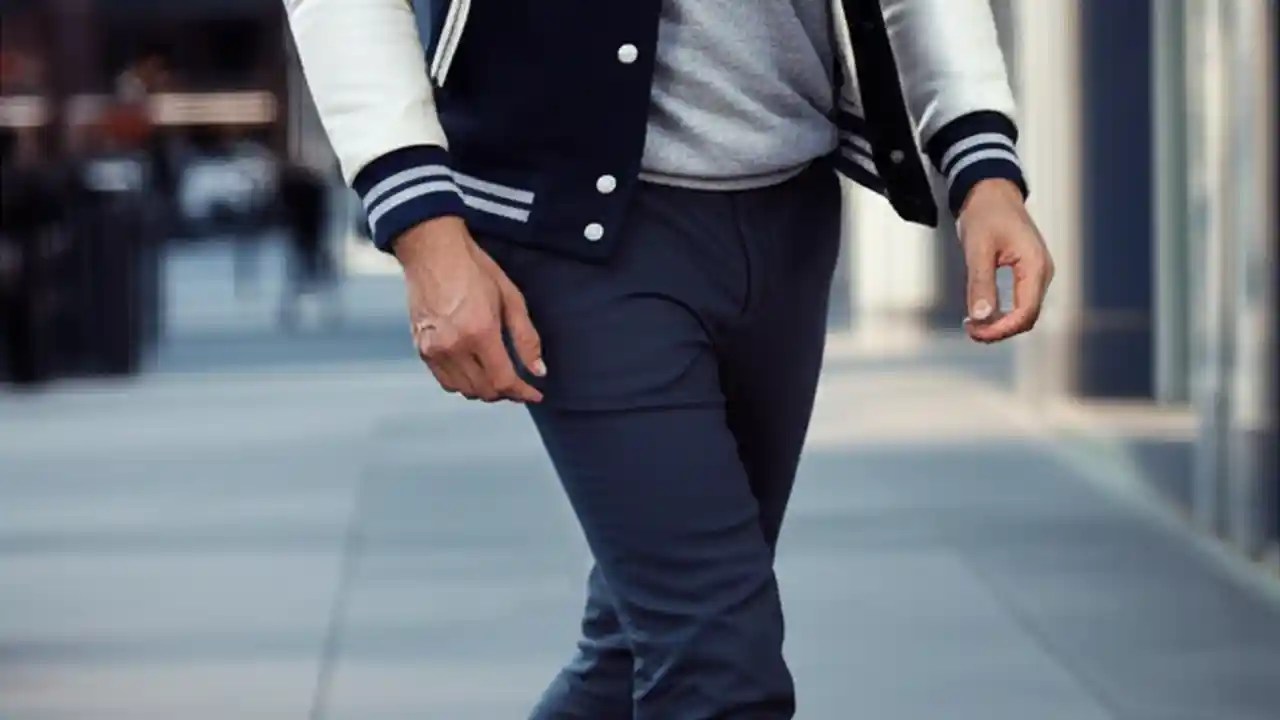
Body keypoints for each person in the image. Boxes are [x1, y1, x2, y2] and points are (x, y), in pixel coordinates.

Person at [285, 0, 1054, 716]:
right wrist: (422, 224)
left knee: (635, 655)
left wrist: (980, 162)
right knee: (719, 663)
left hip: (791, 205)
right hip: (578, 234)